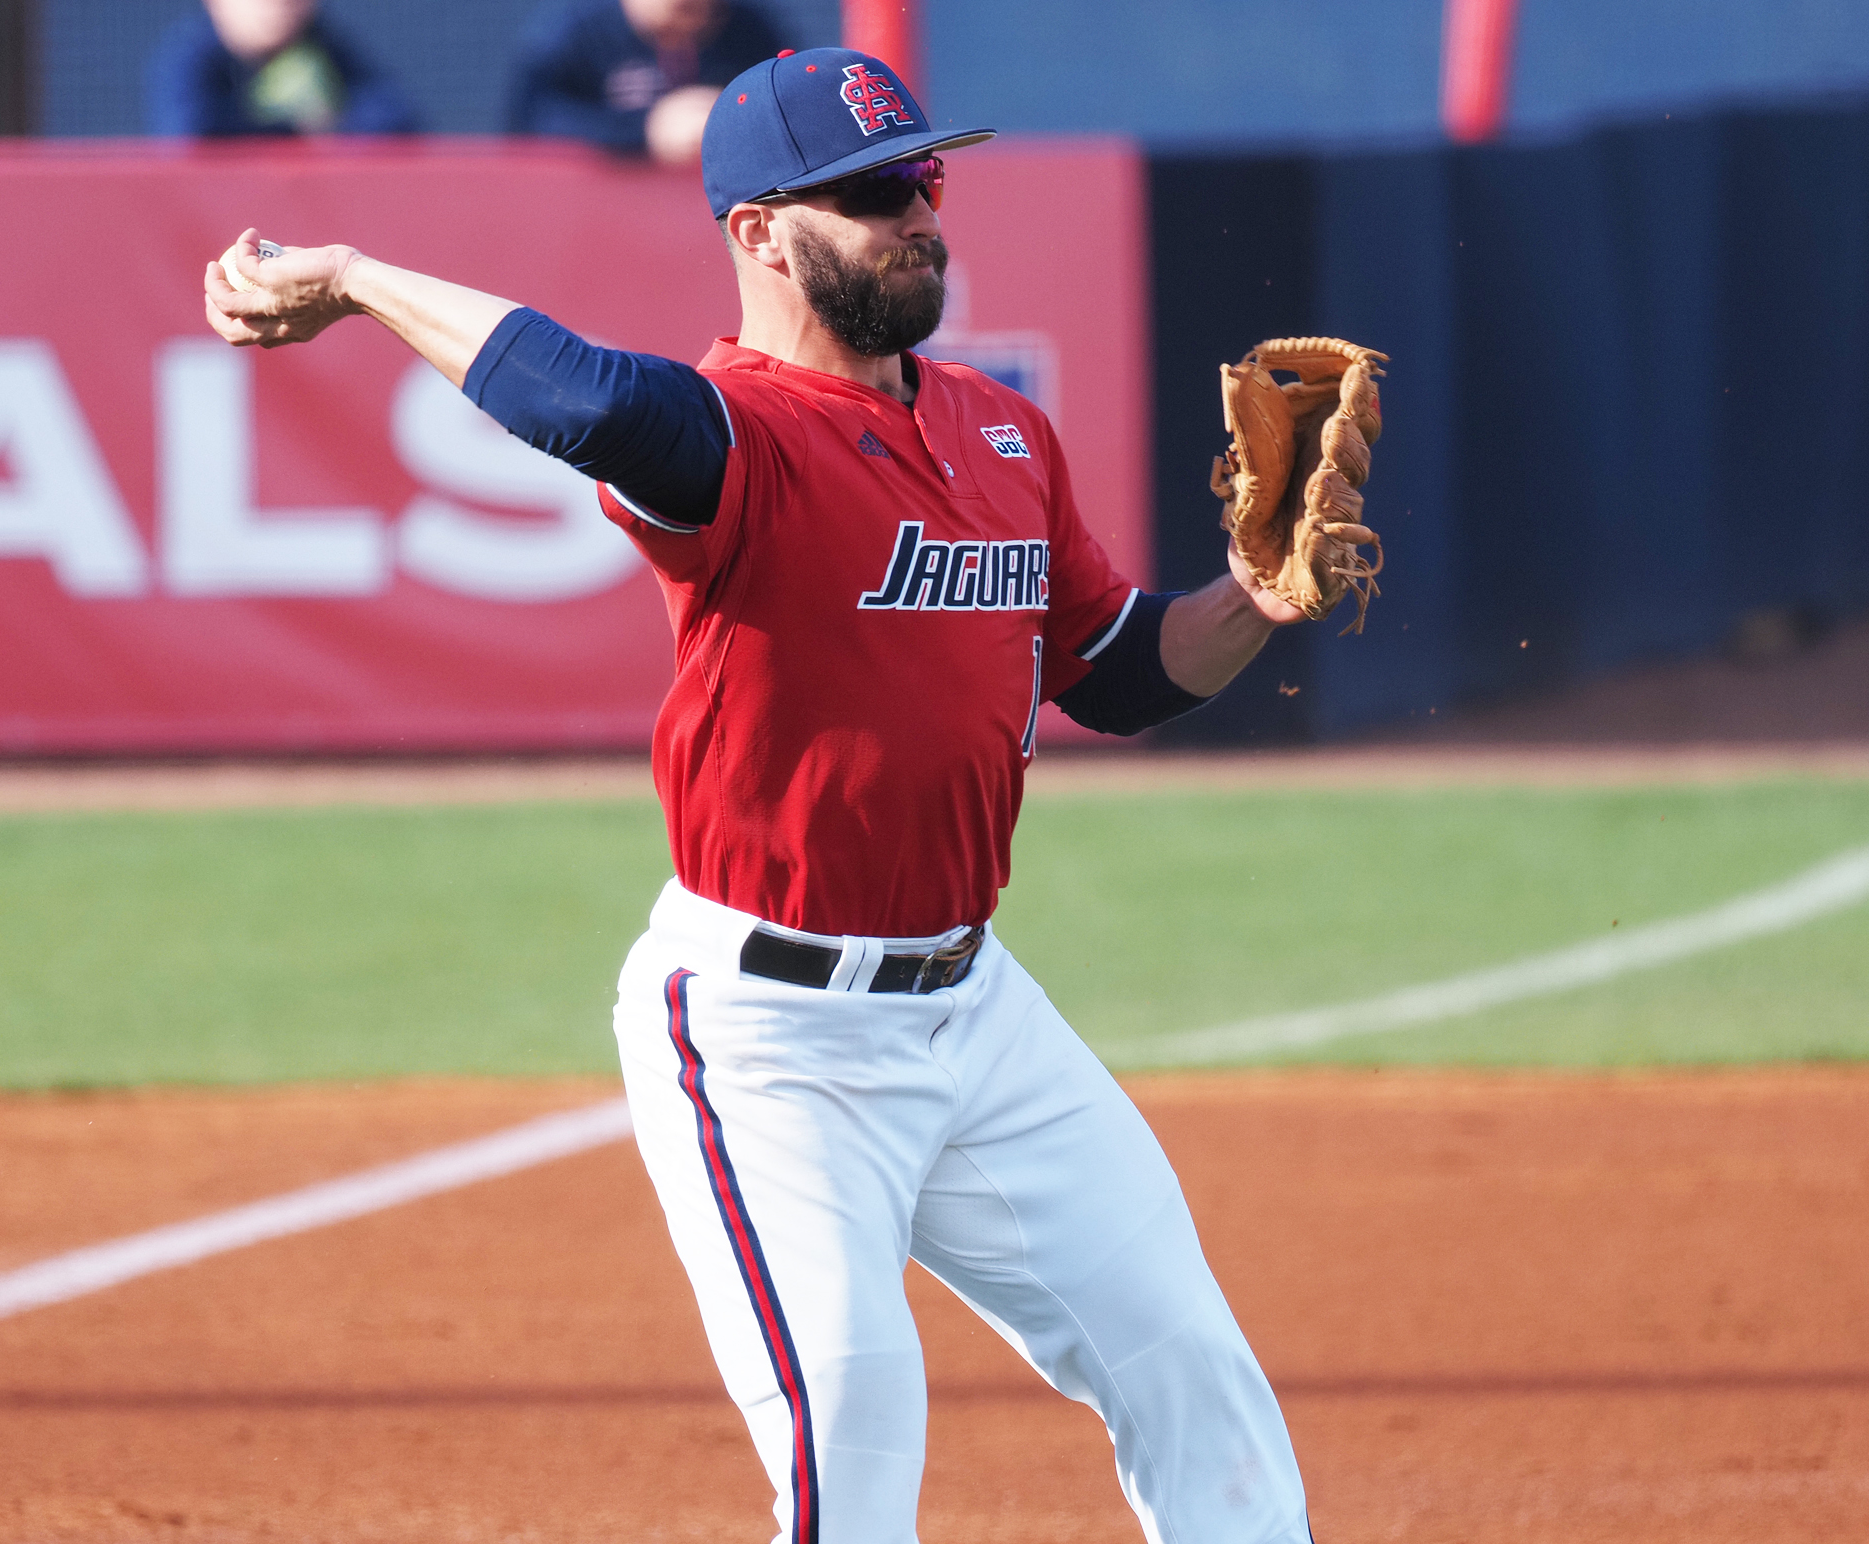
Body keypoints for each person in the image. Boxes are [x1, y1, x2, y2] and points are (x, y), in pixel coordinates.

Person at [204, 48, 1316, 1544]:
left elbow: (1111, 666)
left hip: (976, 1009)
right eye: (870, 194)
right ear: (757, 232)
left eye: (924, 176)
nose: (920, 214)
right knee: (849, 1418)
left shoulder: (1001, 431)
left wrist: (1250, 595)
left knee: (1188, 1363)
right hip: (766, 1037)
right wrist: (347, 274)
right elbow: (582, 396)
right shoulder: (738, 439)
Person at [503, 0, 783, 165]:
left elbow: (787, 106)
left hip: (715, 214)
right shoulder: (579, 31)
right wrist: (648, 129)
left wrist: (731, 119)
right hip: (605, 212)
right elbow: (532, 119)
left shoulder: (747, 29)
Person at [145, 0, 418, 137]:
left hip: (318, 212)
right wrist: (299, 128)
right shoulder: (190, 57)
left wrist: (332, 125)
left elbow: (395, 122)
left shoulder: (325, 47)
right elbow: (193, 137)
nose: (277, 7)